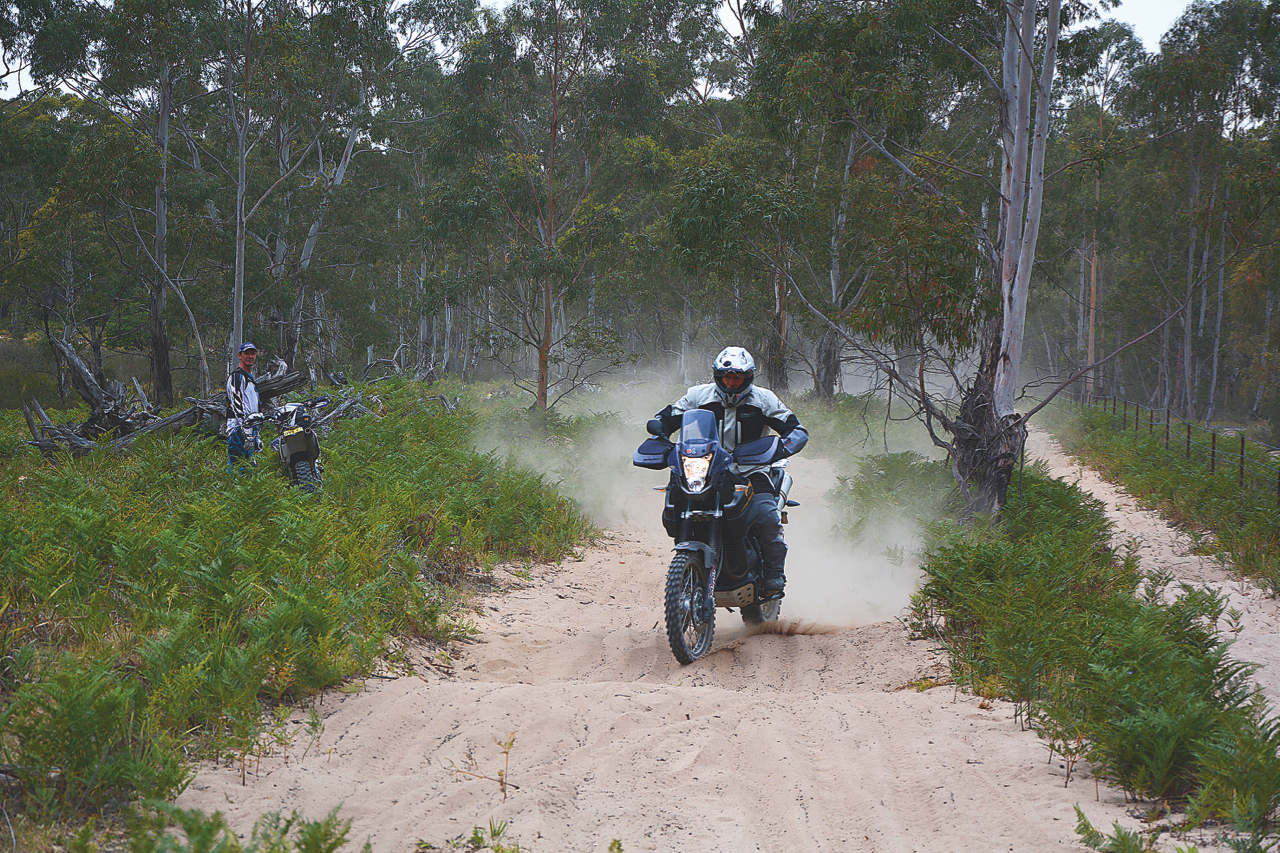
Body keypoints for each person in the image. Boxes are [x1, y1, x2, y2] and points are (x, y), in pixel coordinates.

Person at [646, 346, 809, 596]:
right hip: (705, 467)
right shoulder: (698, 396)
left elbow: (796, 429)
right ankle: (691, 563)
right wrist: (660, 430)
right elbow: (667, 417)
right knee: (675, 501)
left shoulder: (764, 399)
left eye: (737, 378)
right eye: (726, 377)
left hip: (751, 469)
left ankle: (773, 573)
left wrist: (783, 448)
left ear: (748, 378)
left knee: (766, 515)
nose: (730, 383)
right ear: (717, 376)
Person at [226, 342, 264, 473]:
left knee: (249, 468)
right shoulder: (237, 377)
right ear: (240, 355)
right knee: (237, 466)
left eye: (253, 353)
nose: (250, 356)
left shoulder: (250, 380)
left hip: (250, 429)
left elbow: (253, 408)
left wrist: (256, 434)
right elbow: (236, 404)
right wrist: (245, 430)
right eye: (246, 353)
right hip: (238, 429)